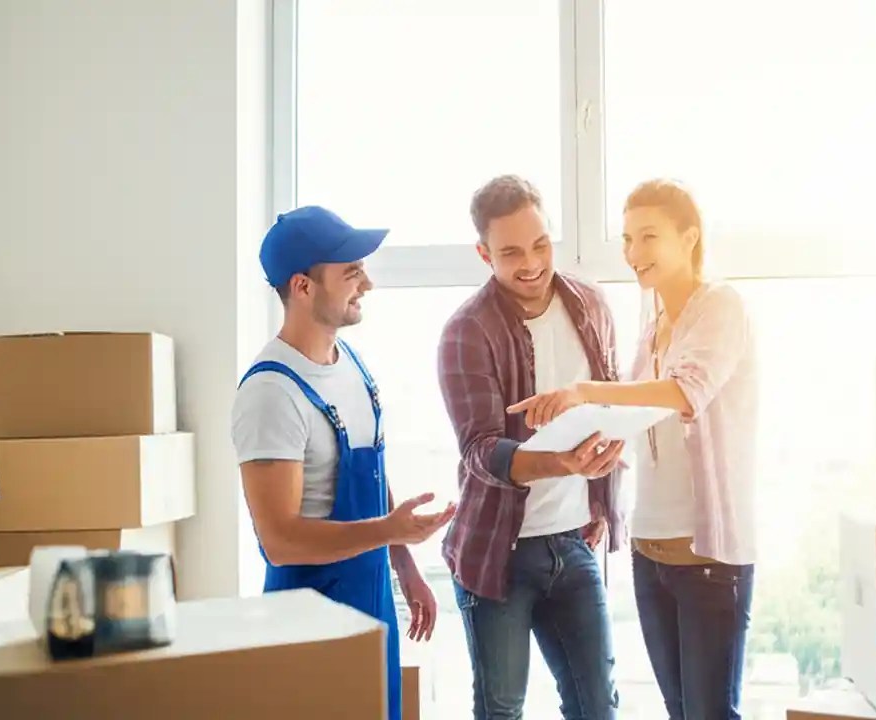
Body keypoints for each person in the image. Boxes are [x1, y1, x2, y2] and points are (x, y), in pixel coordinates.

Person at [509, 179, 759, 720]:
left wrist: (584, 391)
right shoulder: (652, 318)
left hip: (708, 559)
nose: (633, 253)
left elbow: (684, 391)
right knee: (677, 710)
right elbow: (641, 414)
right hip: (652, 553)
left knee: (710, 714)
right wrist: (596, 441)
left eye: (648, 237)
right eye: (626, 238)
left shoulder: (720, 305)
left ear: (689, 237)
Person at [232, 206, 456, 720]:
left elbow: (370, 474)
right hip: (308, 623)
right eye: (351, 272)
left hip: (371, 608)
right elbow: (281, 541)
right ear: (303, 286)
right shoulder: (272, 392)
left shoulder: (349, 363)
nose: (367, 284)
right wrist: (389, 531)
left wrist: (404, 564)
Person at [437, 175, 624, 719]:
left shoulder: (590, 304)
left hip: (573, 542)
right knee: (502, 710)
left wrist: (602, 498)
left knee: (598, 706)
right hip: (499, 552)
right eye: (511, 252)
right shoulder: (466, 332)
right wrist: (559, 463)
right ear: (483, 252)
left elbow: (609, 402)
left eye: (540, 244)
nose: (532, 263)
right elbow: (480, 449)